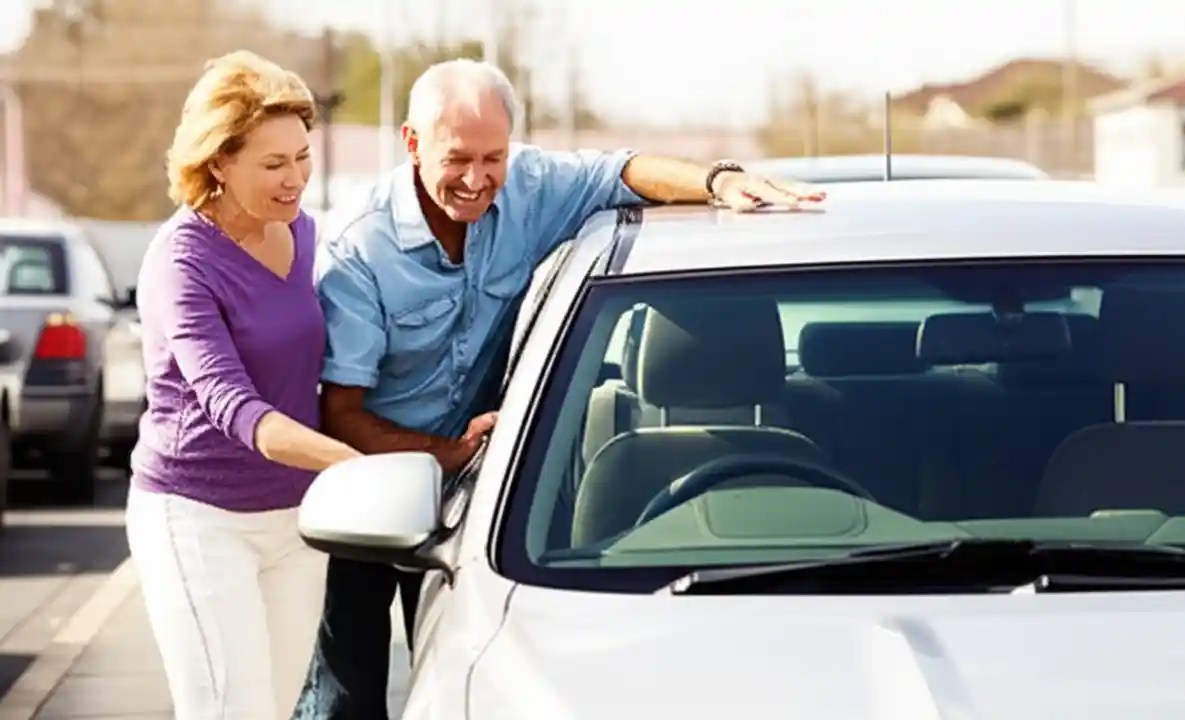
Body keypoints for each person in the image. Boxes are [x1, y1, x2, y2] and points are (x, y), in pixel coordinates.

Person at [293, 58, 825, 719]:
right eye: (458, 157)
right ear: (411, 143)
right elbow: (340, 412)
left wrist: (720, 181)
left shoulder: (529, 190)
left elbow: (621, 172)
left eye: (494, 157)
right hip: (379, 478)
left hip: (490, 501)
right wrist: (447, 452)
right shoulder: (360, 251)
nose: (478, 179)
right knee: (343, 700)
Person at [126, 50, 363, 719]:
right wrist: (361, 467)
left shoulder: (306, 234)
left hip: (293, 521)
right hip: (198, 516)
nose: (296, 180)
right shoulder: (182, 262)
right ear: (219, 163)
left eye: (302, 156)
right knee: (232, 711)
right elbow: (239, 411)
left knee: (274, 708)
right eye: (272, 164)